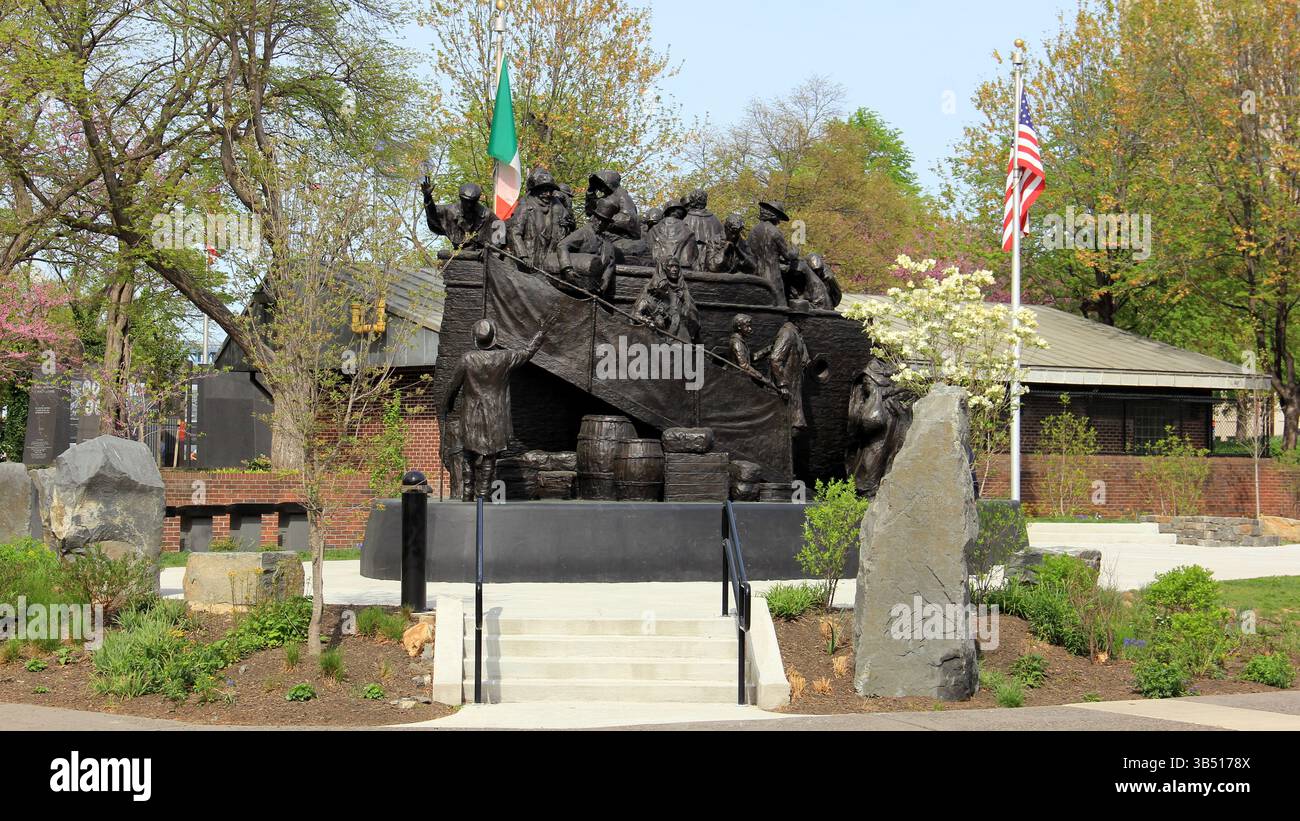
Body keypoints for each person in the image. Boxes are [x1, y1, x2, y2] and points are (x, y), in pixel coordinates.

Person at [441, 319, 545, 500]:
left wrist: (446, 405)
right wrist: (540, 334)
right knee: (489, 457)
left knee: (467, 453)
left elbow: (452, 386)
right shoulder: (504, 358)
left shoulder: (467, 359)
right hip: (494, 417)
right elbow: (528, 352)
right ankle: (483, 494)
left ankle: (467, 494)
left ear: (475, 338)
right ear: (493, 337)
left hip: (470, 416)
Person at [845, 357, 913, 498]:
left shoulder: (901, 367)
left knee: (893, 454)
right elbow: (863, 396)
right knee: (872, 457)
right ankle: (866, 492)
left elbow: (909, 392)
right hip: (877, 425)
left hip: (896, 420)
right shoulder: (871, 370)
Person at [764, 299, 813, 433]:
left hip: (794, 385)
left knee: (795, 425)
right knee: (791, 426)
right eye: (805, 319)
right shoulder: (788, 333)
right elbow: (775, 358)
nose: (806, 322)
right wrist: (782, 384)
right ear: (798, 319)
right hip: (787, 389)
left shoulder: (796, 333)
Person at [557, 198, 619, 298]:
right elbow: (562, 245)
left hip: (597, 291)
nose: (599, 223)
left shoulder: (607, 242)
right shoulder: (584, 232)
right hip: (577, 285)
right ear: (593, 217)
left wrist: (605, 282)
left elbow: (611, 263)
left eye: (604, 221)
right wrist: (567, 269)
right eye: (598, 219)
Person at [507, 168, 565, 270]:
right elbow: (514, 232)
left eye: (550, 191)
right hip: (528, 262)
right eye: (544, 190)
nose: (548, 194)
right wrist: (523, 256)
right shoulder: (525, 207)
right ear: (535, 190)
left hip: (548, 262)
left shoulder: (557, 208)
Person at [633, 257, 699, 342]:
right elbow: (637, 313)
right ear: (663, 268)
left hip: (678, 330)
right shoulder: (654, 287)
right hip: (656, 332)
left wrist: (683, 300)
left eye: (676, 266)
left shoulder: (682, 289)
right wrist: (648, 321)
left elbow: (691, 314)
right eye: (670, 266)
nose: (674, 269)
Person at [420, 180, 493, 249]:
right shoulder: (449, 212)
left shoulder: (487, 215)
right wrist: (427, 197)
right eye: (466, 201)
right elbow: (433, 216)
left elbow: (501, 239)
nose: (469, 205)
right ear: (460, 198)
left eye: (472, 202)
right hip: (459, 256)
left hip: (484, 256)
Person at [748, 200, 792, 306]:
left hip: (755, 275)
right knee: (779, 304)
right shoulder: (775, 232)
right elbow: (787, 255)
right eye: (779, 217)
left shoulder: (753, 231)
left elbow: (749, 252)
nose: (779, 221)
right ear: (774, 215)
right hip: (772, 274)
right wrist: (795, 252)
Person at [585, 170, 641, 241]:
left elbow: (629, 218)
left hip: (623, 238)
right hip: (605, 234)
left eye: (602, 184)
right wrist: (590, 192)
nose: (601, 188)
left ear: (609, 183)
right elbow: (590, 211)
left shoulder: (622, 196)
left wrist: (605, 222)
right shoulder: (606, 197)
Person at [647, 197, 698, 269]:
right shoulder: (688, 230)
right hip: (681, 268)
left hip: (657, 267)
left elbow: (648, 248)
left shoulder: (653, 229)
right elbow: (694, 255)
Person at [682, 188, 724, 259]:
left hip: (691, 258)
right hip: (710, 258)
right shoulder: (716, 220)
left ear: (691, 201)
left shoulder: (684, 219)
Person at [729, 313, 763, 379]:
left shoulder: (740, 341)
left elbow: (752, 358)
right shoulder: (737, 343)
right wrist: (761, 377)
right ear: (739, 327)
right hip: (738, 379)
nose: (750, 329)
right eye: (747, 326)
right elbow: (743, 365)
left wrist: (768, 349)